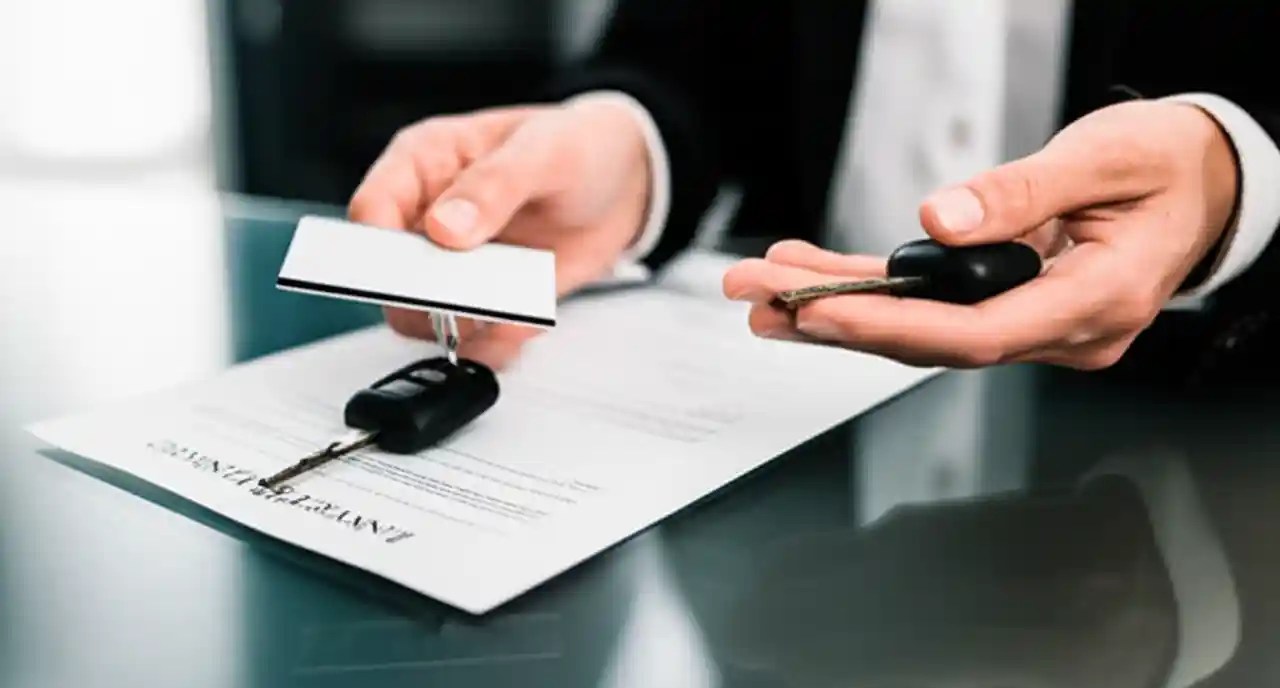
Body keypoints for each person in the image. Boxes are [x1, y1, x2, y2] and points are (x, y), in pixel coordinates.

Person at [348, 1, 1280, 380]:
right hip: (775, 442)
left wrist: (1234, 173)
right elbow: (687, 51)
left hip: (1190, 474)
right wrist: (632, 142)